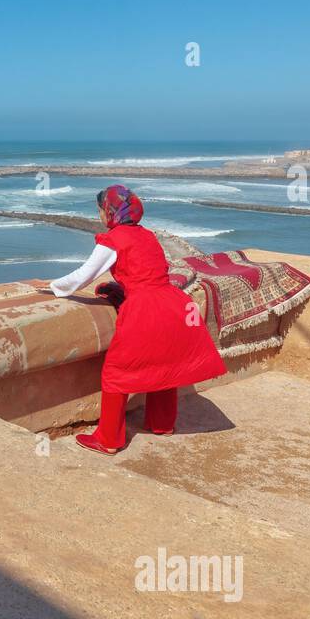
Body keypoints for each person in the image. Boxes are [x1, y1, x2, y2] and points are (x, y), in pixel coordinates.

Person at [49, 185, 226, 456]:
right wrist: (122, 288)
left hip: (145, 310)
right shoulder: (148, 236)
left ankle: (108, 440)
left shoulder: (112, 240)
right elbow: (147, 273)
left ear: (108, 211)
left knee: (115, 374)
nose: (99, 215)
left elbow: (83, 276)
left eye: (100, 210)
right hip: (174, 304)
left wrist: (52, 287)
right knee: (165, 365)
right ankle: (163, 423)